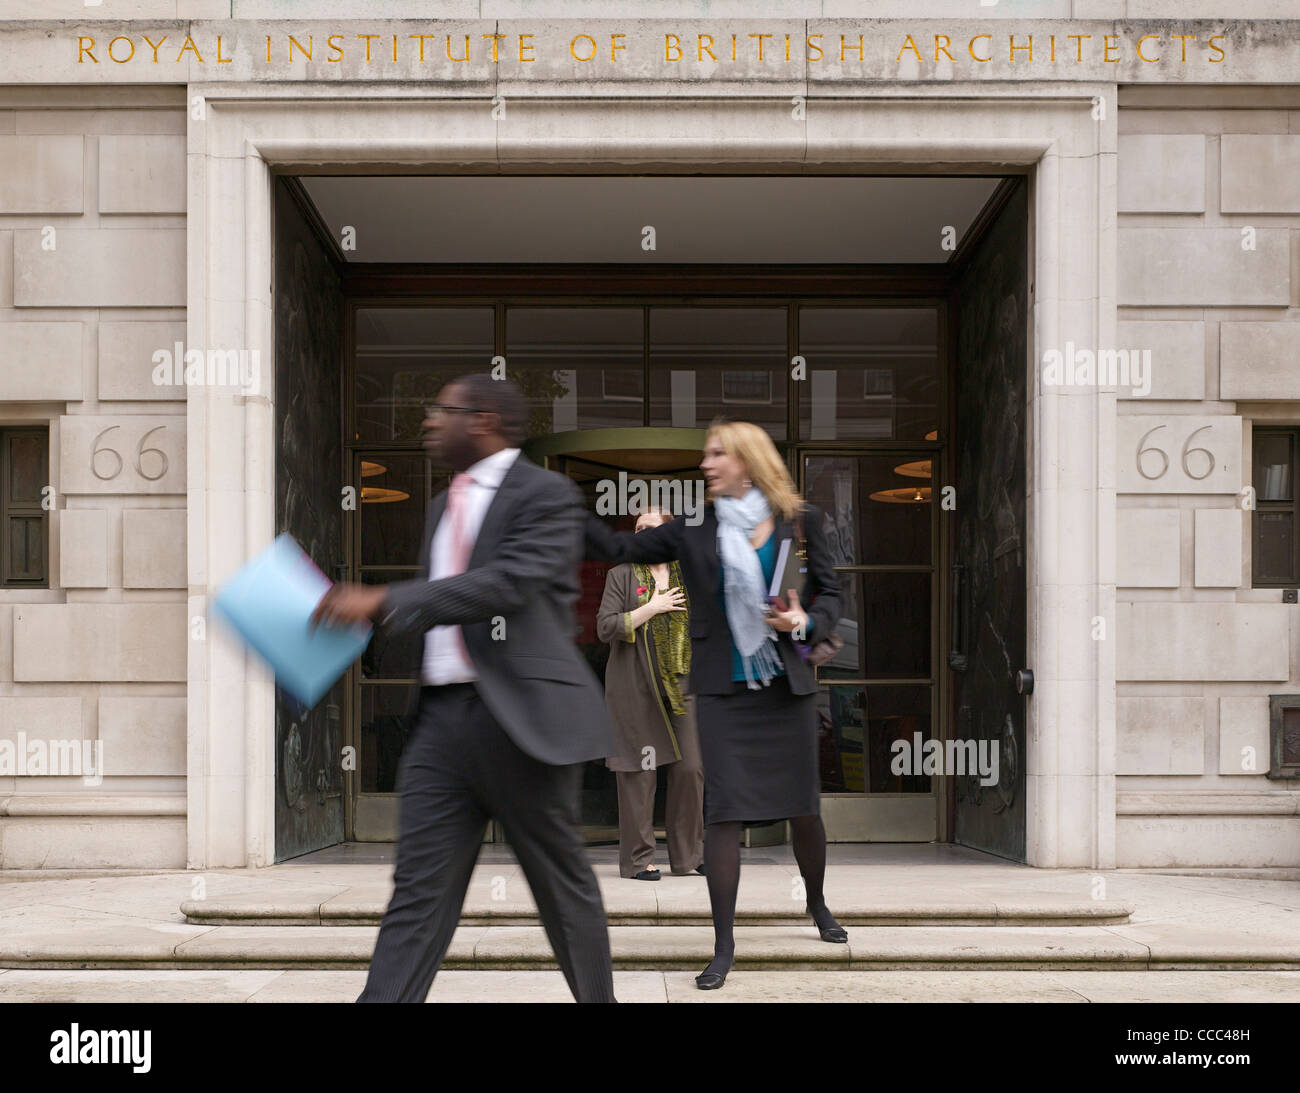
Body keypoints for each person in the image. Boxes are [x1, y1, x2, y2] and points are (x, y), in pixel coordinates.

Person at [312, 374, 617, 1004]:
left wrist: (383, 597)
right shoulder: (439, 505)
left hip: (523, 721)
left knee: (561, 890)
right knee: (419, 893)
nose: (427, 422)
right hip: (442, 726)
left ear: (481, 420)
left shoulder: (547, 493)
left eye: (440, 411)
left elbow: (508, 583)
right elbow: (430, 613)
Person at [584, 419, 847, 991]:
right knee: (721, 813)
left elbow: (831, 593)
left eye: (717, 454)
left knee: (804, 809)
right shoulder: (693, 530)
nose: (706, 463)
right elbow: (621, 546)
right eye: (706, 453)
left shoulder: (800, 521)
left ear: (747, 461)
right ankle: (723, 945)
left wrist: (804, 621)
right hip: (725, 694)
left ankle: (818, 905)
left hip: (787, 689)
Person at [596, 508, 705, 881]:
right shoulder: (621, 575)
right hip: (634, 688)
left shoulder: (688, 575)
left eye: (651, 528)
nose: (642, 533)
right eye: (638, 528)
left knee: (691, 769)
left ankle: (688, 857)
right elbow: (606, 627)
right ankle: (639, 861)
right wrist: (652, 607)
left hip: (682, 688)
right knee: (639, 774)